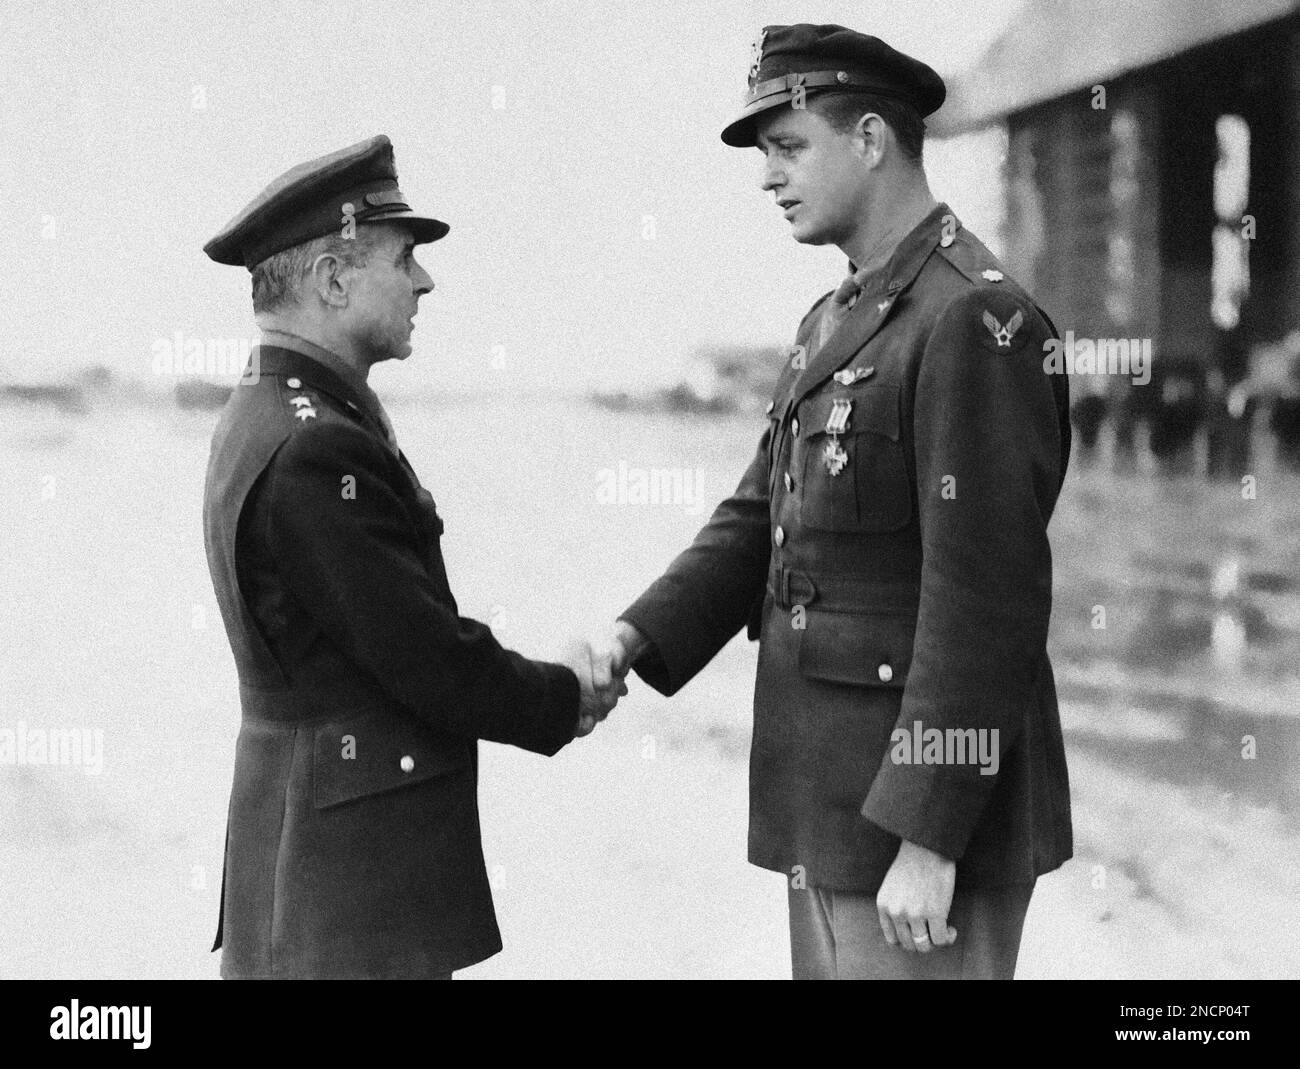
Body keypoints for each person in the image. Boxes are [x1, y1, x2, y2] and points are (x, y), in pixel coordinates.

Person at [592, 24, 1073, 979]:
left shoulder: (974, 319)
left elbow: (986, 601)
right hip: (832, 809)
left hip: (918, 831)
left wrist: (930, 838)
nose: (769, 177)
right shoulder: (836, 319)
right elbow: (758, 516)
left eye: (788, 146)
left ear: (869, 140)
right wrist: (632, 638)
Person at [201, 134, 620, 979]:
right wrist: (561, 694)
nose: (425, 281)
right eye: (405, 258)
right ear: (332, 279)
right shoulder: (314, 447)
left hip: (312, 868)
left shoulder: (273, 414)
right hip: (343, 888)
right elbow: (422, 656)